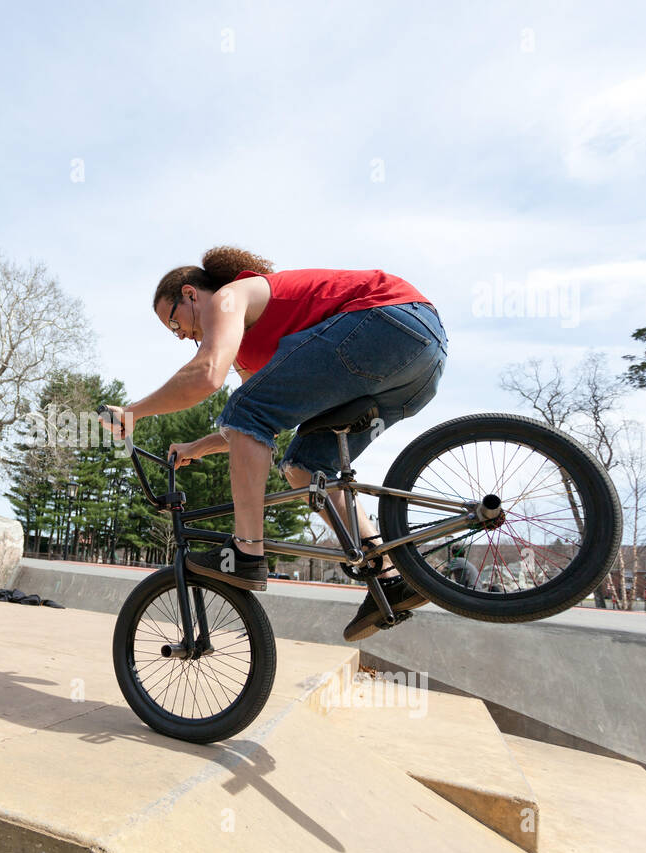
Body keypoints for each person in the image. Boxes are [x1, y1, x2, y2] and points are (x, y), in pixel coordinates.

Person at [98, 246, 447, 642]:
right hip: (415, 368)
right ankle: (387, 576)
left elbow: (209, 375)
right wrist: (198, 446)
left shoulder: (231, 297)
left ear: (192, 294)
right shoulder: (249, 356)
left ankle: (247, 552)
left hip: (390, 321)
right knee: (302, 468)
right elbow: (250, 433)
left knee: (245, 408)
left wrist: (132, 412)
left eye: (176, 324)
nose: (182, 337)